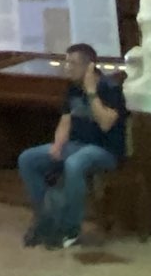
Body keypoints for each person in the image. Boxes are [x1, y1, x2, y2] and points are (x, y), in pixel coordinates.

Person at [18, 43, 127, 249]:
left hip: (105, 150)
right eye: (66, 62)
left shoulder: (110, 89)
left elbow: (105, 123)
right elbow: (65, 121)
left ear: (89, 67)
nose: (67, 67)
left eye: (73, 63)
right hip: (75, 144)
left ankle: (70, 228)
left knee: (75, 163)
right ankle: (46, 220)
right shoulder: (72, 89)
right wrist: (58, 145)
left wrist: (92, 92)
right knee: (28, 159)